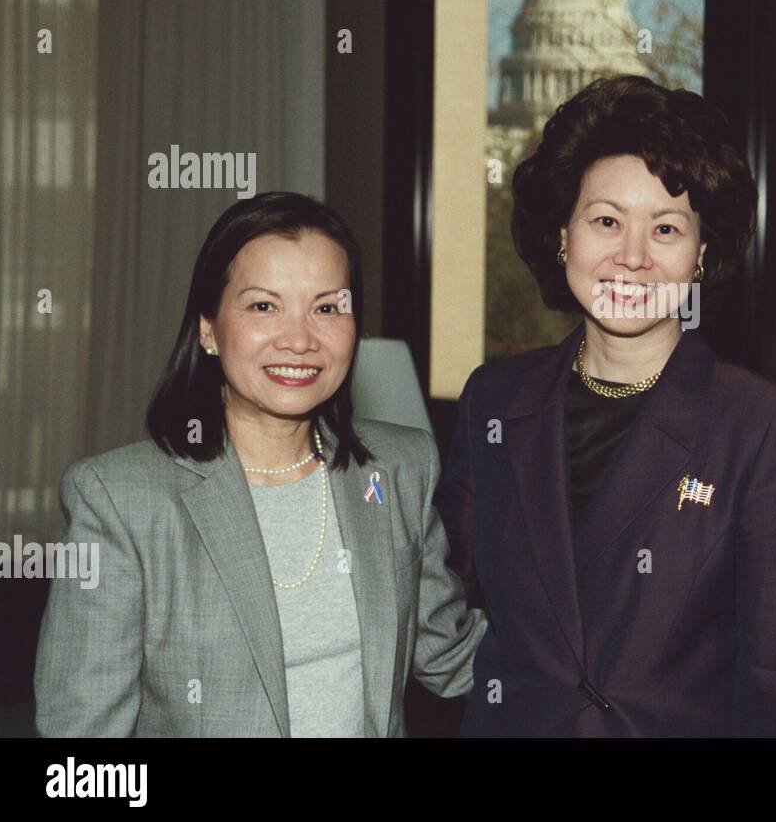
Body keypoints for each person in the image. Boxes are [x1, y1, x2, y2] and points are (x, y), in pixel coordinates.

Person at [435, 75, 776, 736]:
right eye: (606, 220)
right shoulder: (493, 403)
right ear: (564, 236)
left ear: (701, 254)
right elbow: (446, 616)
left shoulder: (760, 428)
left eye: (666, 228)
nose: (633, 256)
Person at [34, 192, 486, 736]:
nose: (298, 340)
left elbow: (451, 656)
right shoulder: (119, 500)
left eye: (326, 308)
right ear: (208, 329)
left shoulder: (397, 469)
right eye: (263, 306)